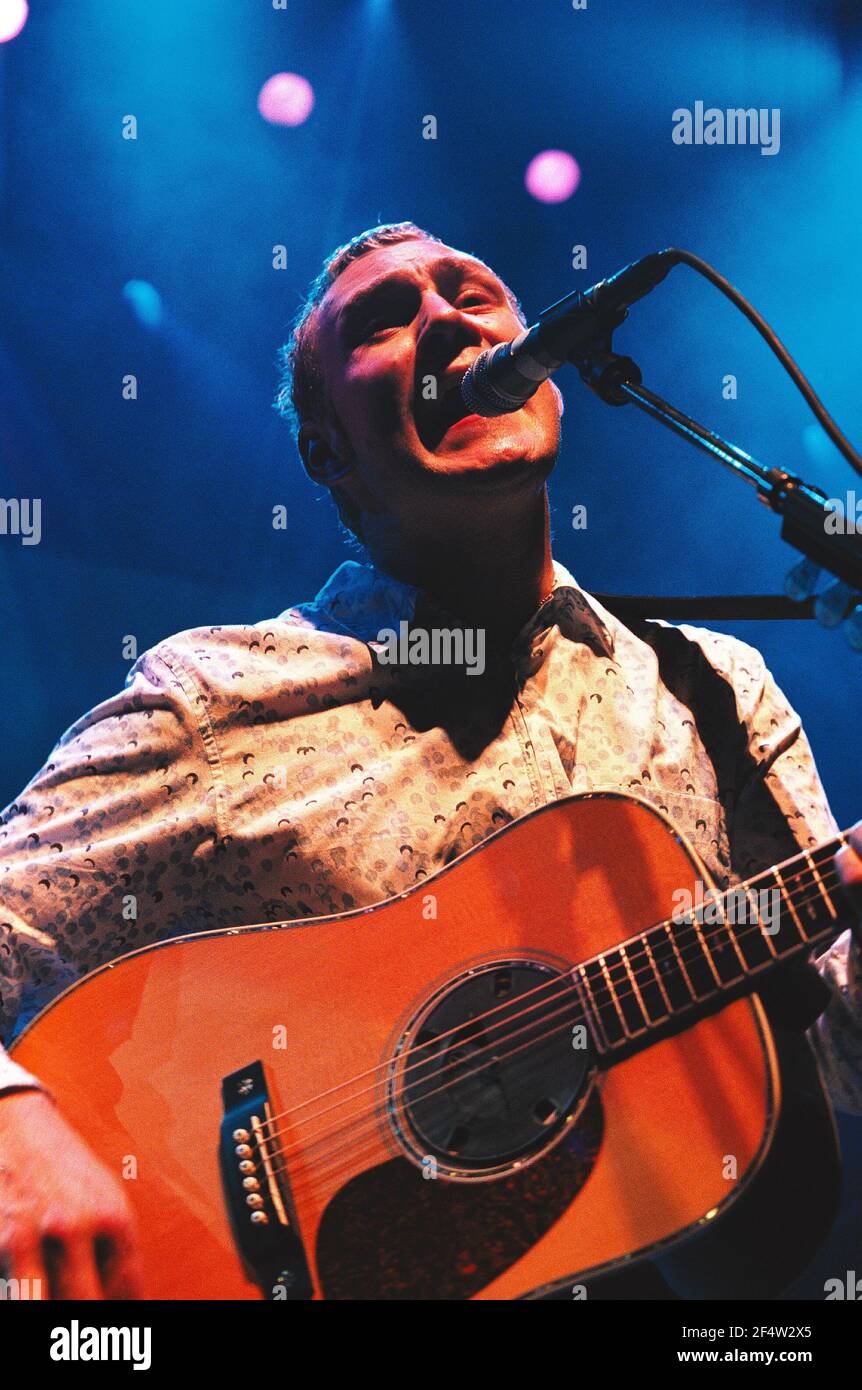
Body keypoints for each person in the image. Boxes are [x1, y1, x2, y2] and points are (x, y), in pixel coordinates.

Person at [1, 221, 860, 1301]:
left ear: (551, 377)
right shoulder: (217, 703)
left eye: (472, 295)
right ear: (326, 449)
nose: (446, 321)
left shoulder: (715, 695)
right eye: (384, 317)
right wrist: (12, 1127)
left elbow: (841, 1058)